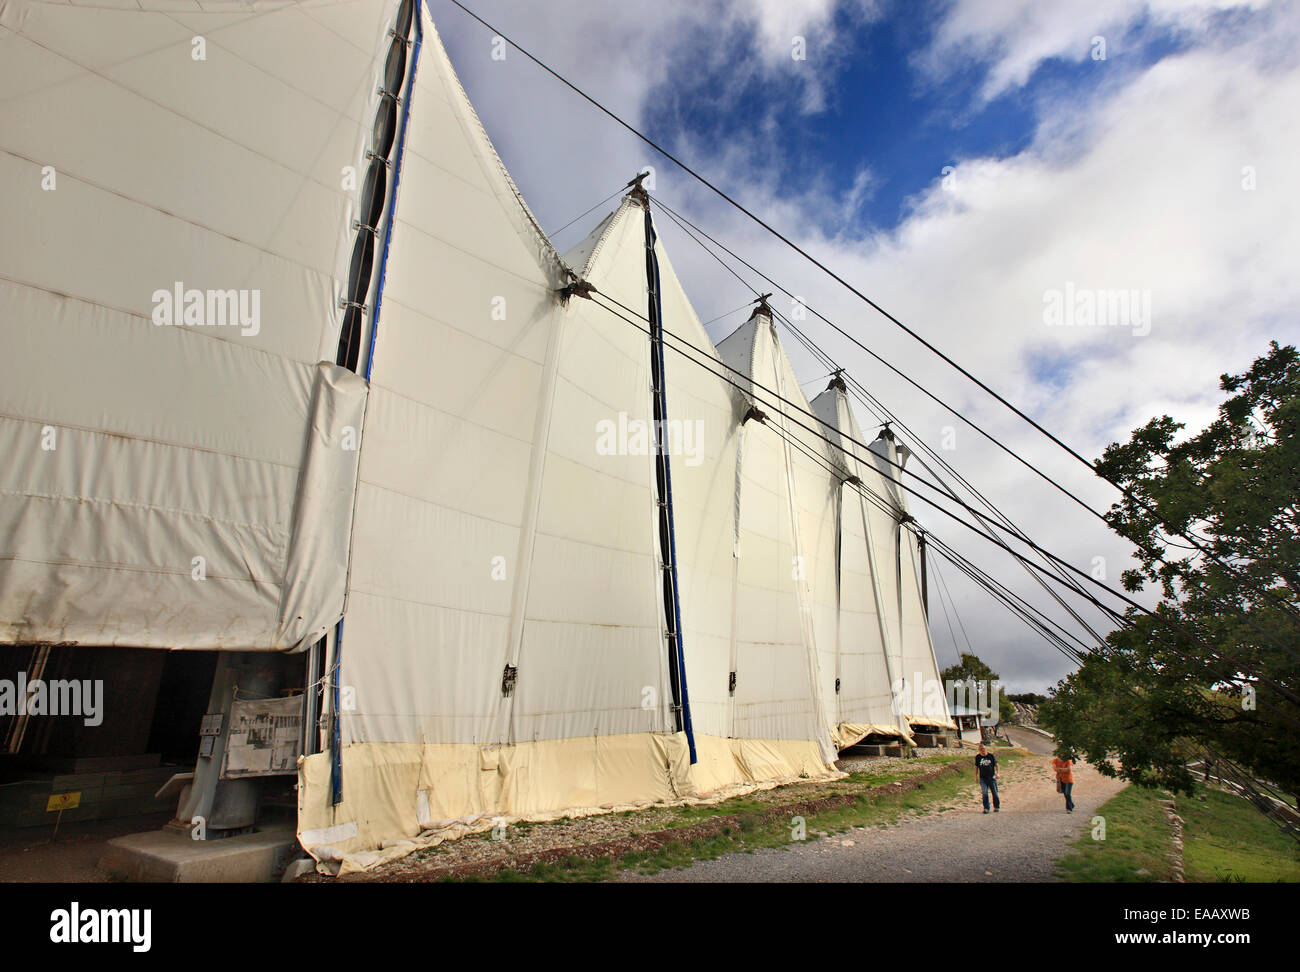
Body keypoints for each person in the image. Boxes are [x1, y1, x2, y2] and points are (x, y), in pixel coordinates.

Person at [975, 743, 999, 813]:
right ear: (979, 750)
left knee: (995, 793)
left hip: (992, 778)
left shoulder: (991, 756)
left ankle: (996, 807)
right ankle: (986, 808)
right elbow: (976, 767)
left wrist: (998, 773)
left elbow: (997, 765)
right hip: (983, 778)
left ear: (986, 749)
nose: (983, 750)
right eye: (981, 749)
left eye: (984, 749)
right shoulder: (978, 757)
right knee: (984, 793)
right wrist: (975, 776)